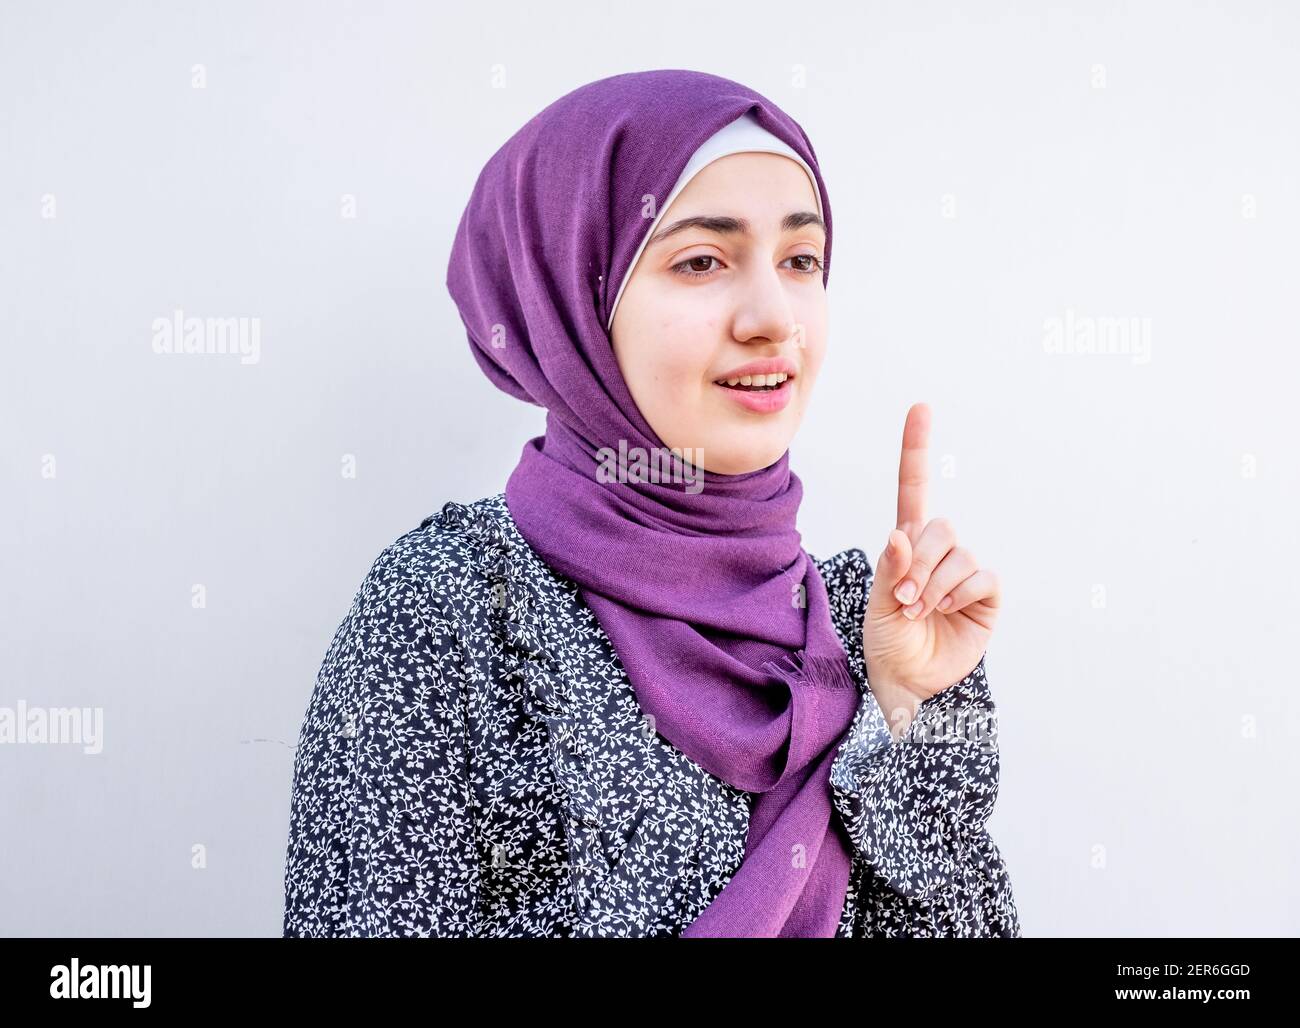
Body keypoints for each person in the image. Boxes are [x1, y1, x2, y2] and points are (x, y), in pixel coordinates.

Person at [281, 68, 1021, 938]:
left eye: (800, 260)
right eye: (702, 260)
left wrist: (902, 713)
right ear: (572, 304)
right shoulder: (455, 607)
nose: (773, 317)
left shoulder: (873, 617)